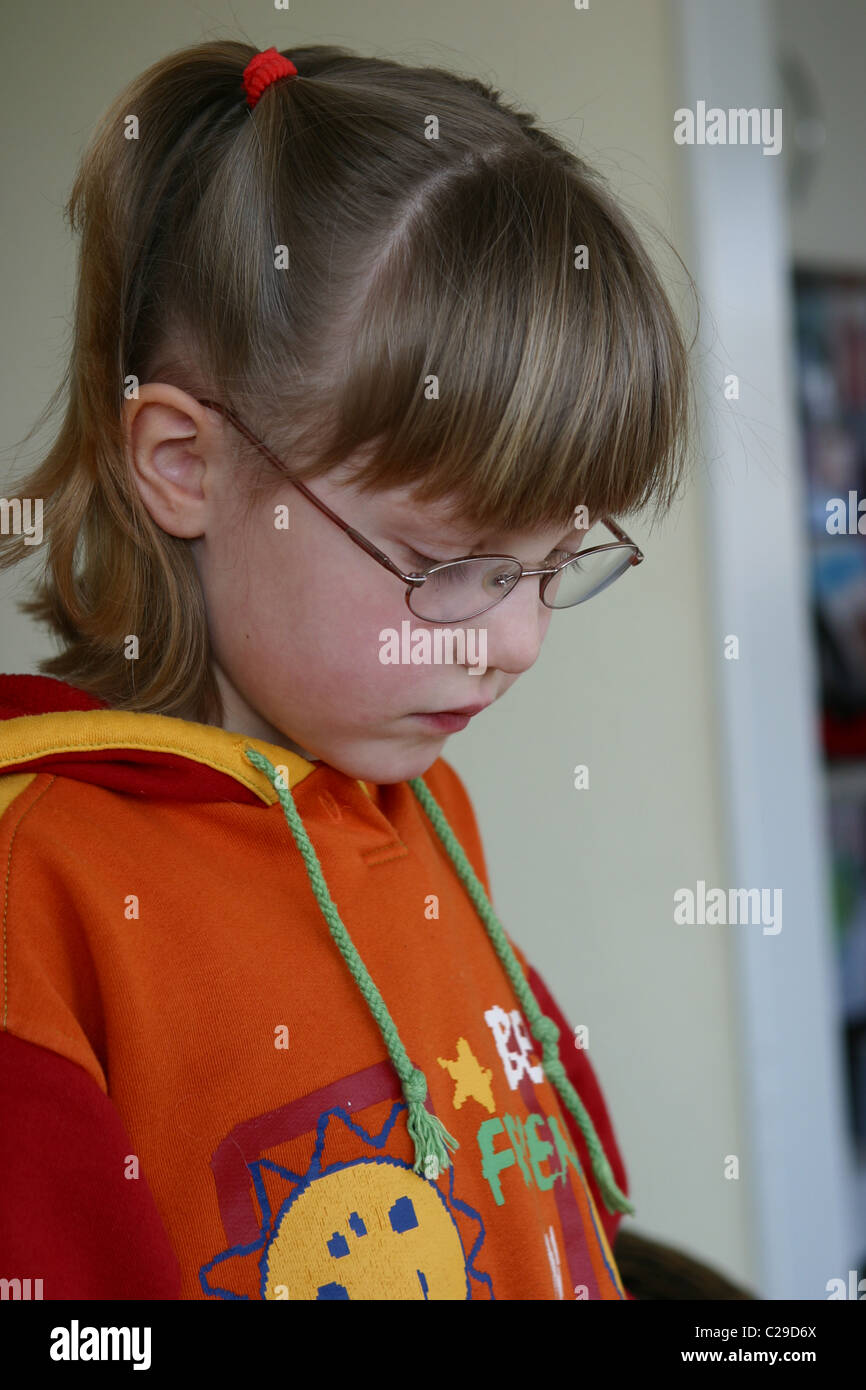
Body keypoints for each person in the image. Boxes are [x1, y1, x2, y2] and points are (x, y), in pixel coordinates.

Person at [0, 41, 694, 1301]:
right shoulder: (36, 893)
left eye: (552, 564)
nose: (517, 641)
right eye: (445, 561)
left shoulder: (414, 803)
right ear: (184, 463)